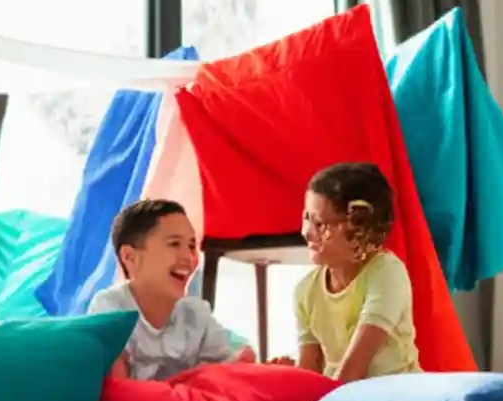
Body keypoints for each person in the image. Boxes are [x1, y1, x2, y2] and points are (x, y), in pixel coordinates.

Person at [273, 162, 420, 382]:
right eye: (306, 218)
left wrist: (322, 400)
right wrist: (286, 378)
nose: (307, 233)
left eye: (319, 224)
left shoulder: (387, 273)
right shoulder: (305, 291)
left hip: (395, 397)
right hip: (340, 396)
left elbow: (354, 370)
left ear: (360, 229)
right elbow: (310, 372)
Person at [87, 199, 255, 380]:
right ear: (130, 258)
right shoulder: (111, 308)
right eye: (174, 244)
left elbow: (232, 364)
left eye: (192, 246)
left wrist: (241, 362)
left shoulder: (195, 314)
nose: (189, 257)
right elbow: (116, 387)